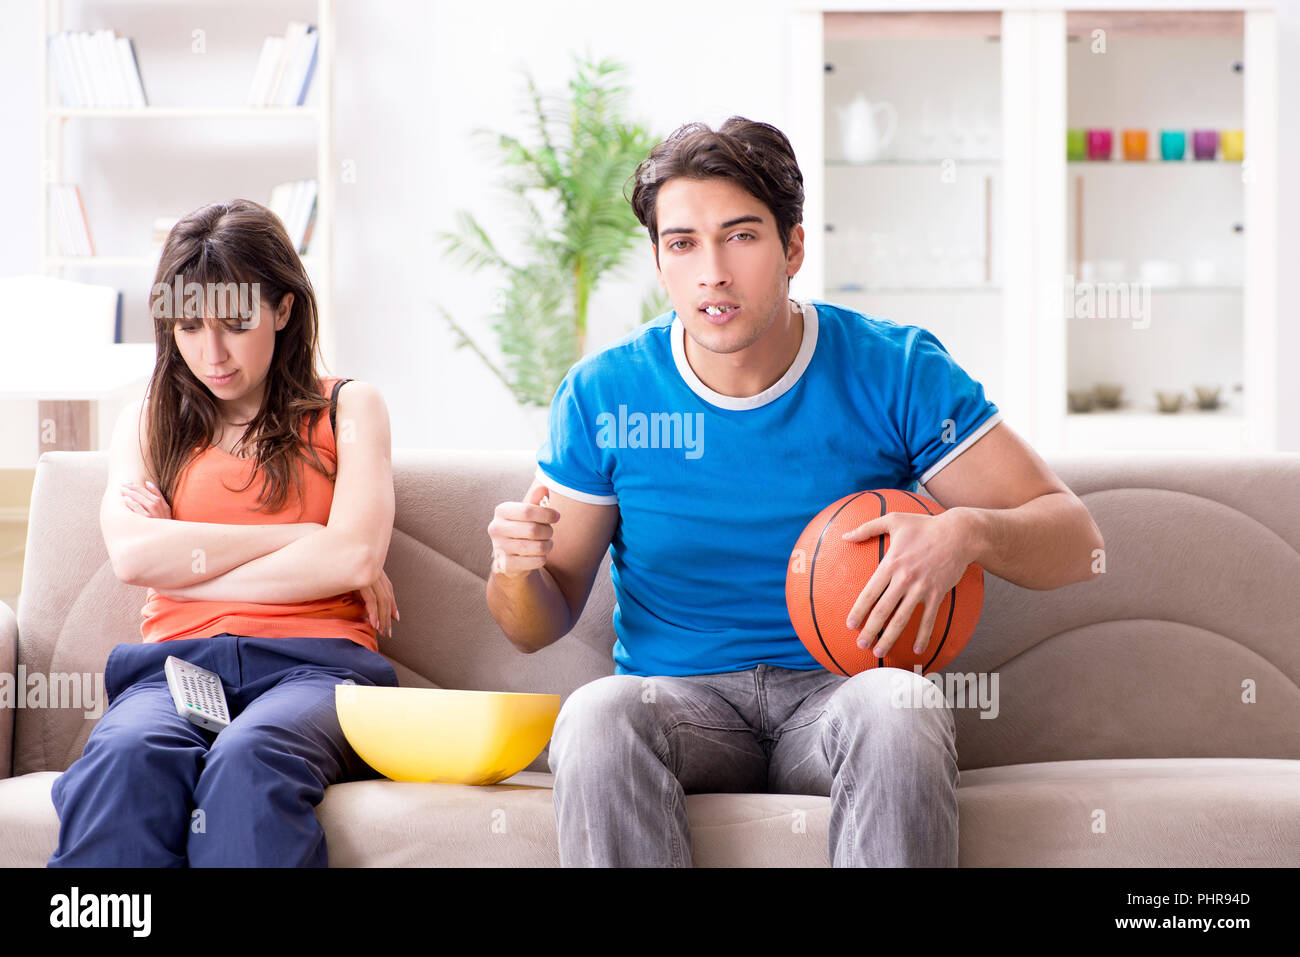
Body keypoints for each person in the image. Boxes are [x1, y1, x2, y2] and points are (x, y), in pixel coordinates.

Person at [485, 117, 1105, 867]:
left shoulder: (894, 367)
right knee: (595, 715)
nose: (712, 270)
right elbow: (531, 624)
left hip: (842, 697)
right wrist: (516, 571)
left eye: (741, 236)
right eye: (682, 243)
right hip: (681, 704)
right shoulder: (606, 394)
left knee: (900, 706)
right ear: (659, 261)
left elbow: (1076, 541)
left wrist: (965, 532)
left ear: (794, 249)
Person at [48, 199, 399, 867]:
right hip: (174, 672)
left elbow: (354, 553)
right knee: (123, 756)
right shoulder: (150, 421)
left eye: (237, 324)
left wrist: (189, 554)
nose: (213, 353)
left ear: (284, 309)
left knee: (249, 758)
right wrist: (304, 540)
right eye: (189, 326)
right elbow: (133, 555)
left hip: (318, 669)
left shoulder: (350, 407)